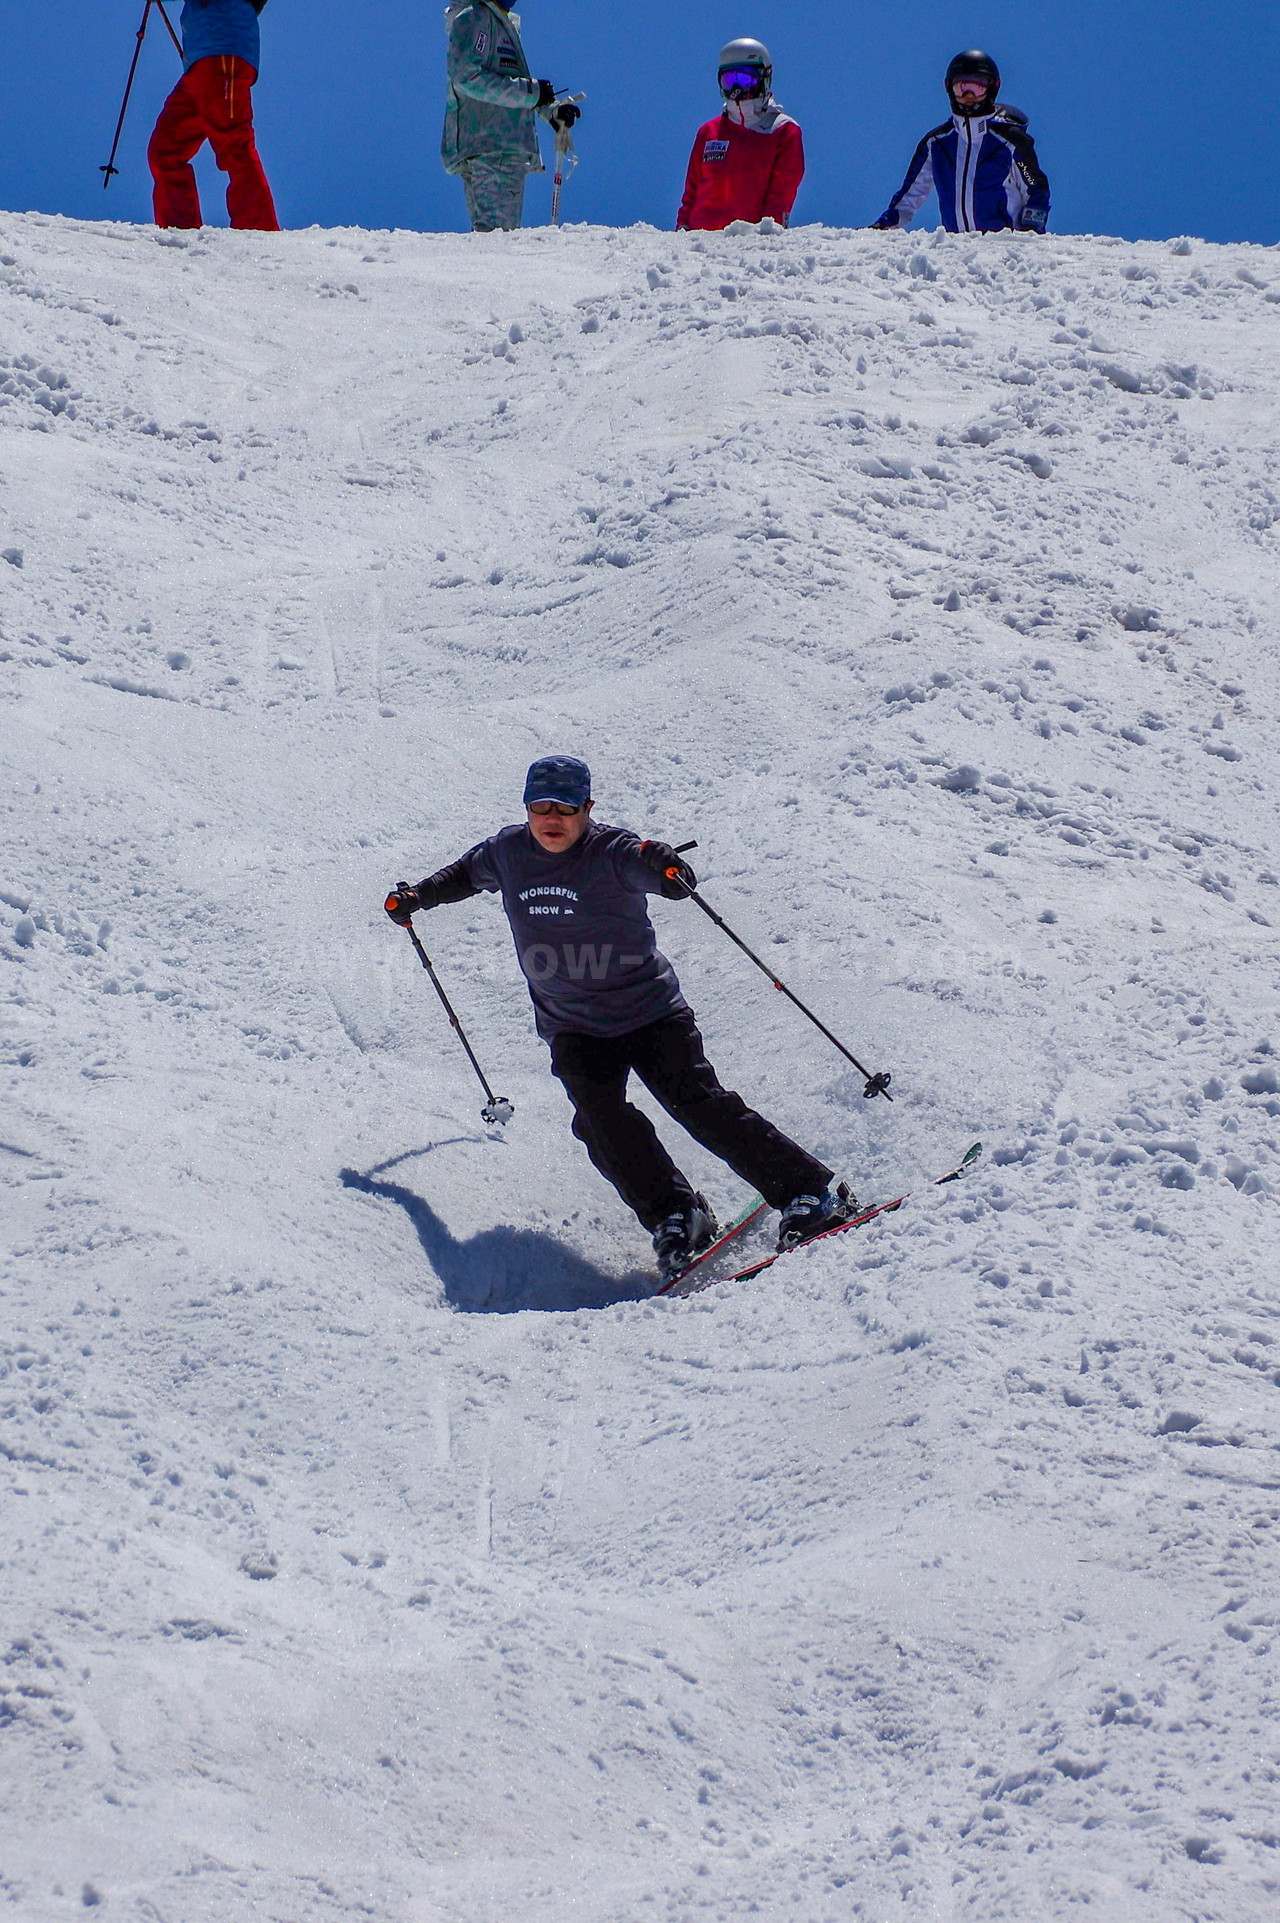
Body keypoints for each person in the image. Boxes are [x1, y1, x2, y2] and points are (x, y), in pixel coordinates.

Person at [385, 757, 856, 1282]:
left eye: (566, 808)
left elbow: (665, 876)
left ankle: (809, 1192)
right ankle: (677, 1215)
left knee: (698, 1105)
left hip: (649, 1012)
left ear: (587, 808)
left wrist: (667, 866)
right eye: (541, 806)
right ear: (527, 807)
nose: (552, 818)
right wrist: (417, 897)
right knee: (600, 1123)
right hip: (573, 1026)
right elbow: (463, 875)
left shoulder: (611, 851)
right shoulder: (508, 851)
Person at [872, 50, 1049, 235]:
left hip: (1004, 245)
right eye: (961, 88)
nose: (969, 96)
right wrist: (884, 226)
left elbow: (1036, 189)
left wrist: (1030, 232)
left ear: (992, 88)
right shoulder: (937, 144)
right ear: (949, 89)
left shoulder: (1009, 141)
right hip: (959, 247)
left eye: (977, 88)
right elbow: (910, 194)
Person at [442, 1, 581, 232]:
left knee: (491, 233)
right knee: (497, 234)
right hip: (494, 145)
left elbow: (508, 85)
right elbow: (466, 77)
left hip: (495, 145)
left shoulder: (501, 22)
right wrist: (532, 92)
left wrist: (551, 111)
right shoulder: (476, 17)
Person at [147, 0, 279, 231]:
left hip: (221, 48)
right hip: (204, 58)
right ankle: (180, 233)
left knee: (234, 144)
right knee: (166, 151)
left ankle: (259, 231)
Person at [677, 37, 804, 232]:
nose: (737, 89)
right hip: (700, 241)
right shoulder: (709, 132)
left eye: (745, 79)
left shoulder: (783, 131)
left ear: (763, 77)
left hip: (747, 242)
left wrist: (767, 235)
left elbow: (781, 195)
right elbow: (691, 192)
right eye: (729, 81)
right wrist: (683, 229)